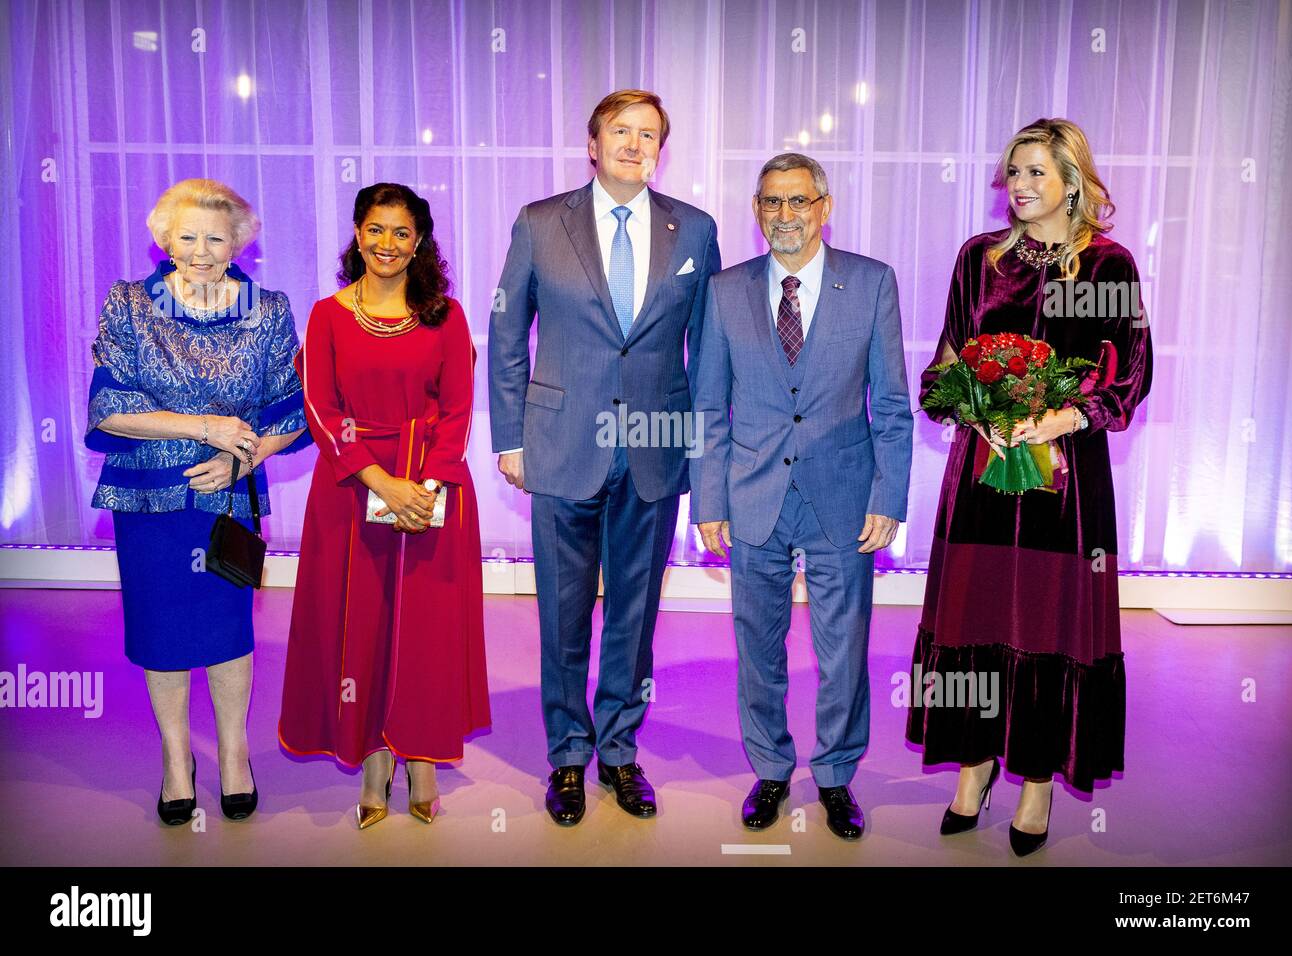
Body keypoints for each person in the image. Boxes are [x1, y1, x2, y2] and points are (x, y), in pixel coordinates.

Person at [906, 118, 1152, 855]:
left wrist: (1058, 419)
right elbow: (945, 364)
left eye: (1037, 172)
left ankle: (1037, 782)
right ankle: (974, 770)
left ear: (1072, 182)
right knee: (973, 620)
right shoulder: (977, 261)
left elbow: (1131, 374)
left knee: (1047, 625)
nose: (1019, 186)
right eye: (1013, 172)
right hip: (977, 477)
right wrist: (970, 409)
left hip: (1066, 484)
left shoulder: (1108, 267)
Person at [489, 90, 720, 826]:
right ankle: (566, 756)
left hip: (653, 452)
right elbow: (505, 336)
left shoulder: (696, 230)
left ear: (661, 148)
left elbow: (708, 351)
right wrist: (510, 438)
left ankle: (618, 749)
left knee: (633, 612)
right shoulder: (538, 222)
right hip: (558, 447)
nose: (633, 143)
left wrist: (704, 452)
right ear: (592, 144)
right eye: (620, 130)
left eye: (648, 132)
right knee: (562, 613)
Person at [691, 153, 913, 840]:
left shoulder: (872, 283)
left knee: (844, 647)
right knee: (757, 644)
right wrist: (708, 503)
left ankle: (839, 776)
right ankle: (770, 769)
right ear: (757, 210)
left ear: (825, 206)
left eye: (798, 202)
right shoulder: (725, 291)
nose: (784, 216)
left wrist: (891, 497)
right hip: (750, 498)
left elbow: (895, 404)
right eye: (770, 203)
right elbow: (706, 408)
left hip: (844, 498)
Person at [85, 178, 308, 825]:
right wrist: (204, 427)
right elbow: (108, 408)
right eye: (188, 236)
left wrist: (243, 454)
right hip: (148, 495)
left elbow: (292, 412)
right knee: (162, 631)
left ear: (239, 241)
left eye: (216, 237)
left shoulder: (268, 309)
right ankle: (175, 760)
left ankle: (236, 754)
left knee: (228, 630)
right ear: (164, 239)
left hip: (227, 498)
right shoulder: (128, 304)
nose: (203, 250)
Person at [279, 183, 490, 830]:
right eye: (376, 229)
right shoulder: (327, 314)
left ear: (419, 241)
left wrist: (422, 489)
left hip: (433, 488)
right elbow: (322, 408)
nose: (387, 244)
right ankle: (373, 757)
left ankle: (422, 755)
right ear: (357, 233)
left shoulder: (445, 315)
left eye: (401, 233)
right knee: (359, 627)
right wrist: (380, 482)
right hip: (350, 491)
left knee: (427, 629)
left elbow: (456, 410)